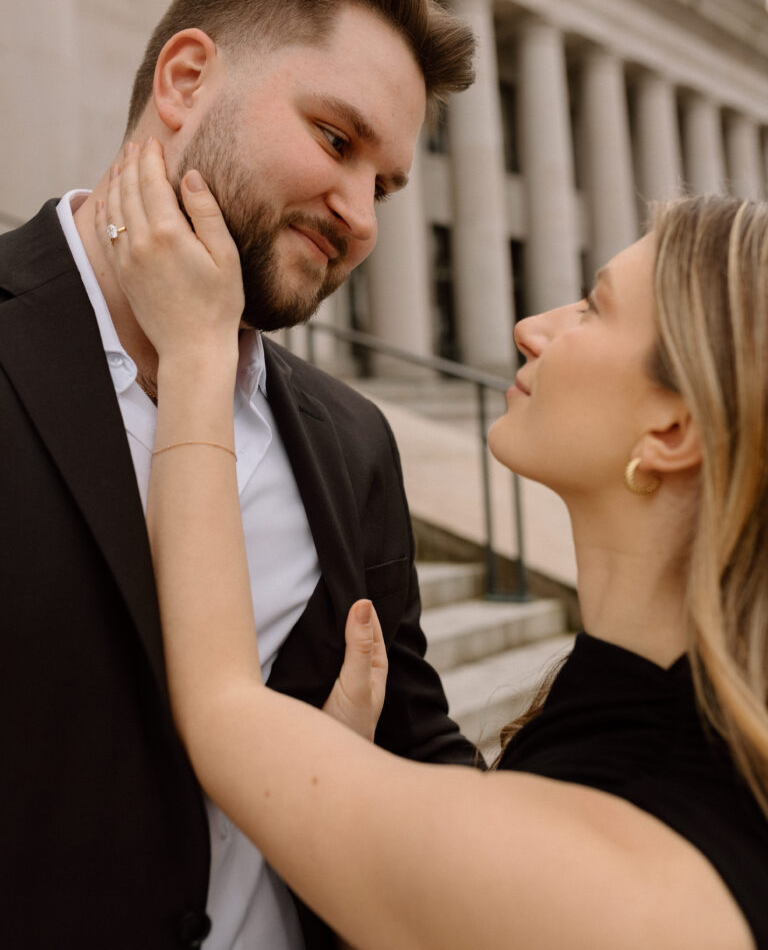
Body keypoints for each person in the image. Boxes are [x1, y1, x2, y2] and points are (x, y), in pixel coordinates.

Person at [104, 144, 768, 950]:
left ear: (672, 431)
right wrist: (343, 765)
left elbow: (220, 704)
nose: (529, 329)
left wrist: (198, 351)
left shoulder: (616, 870)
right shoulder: (662, 729)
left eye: (593, 309)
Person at [0, 0, 480, 949]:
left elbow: (417, 745)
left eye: (385, 184)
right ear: (185, 81)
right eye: (335, 138)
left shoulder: (351, 442)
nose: (360, 214)